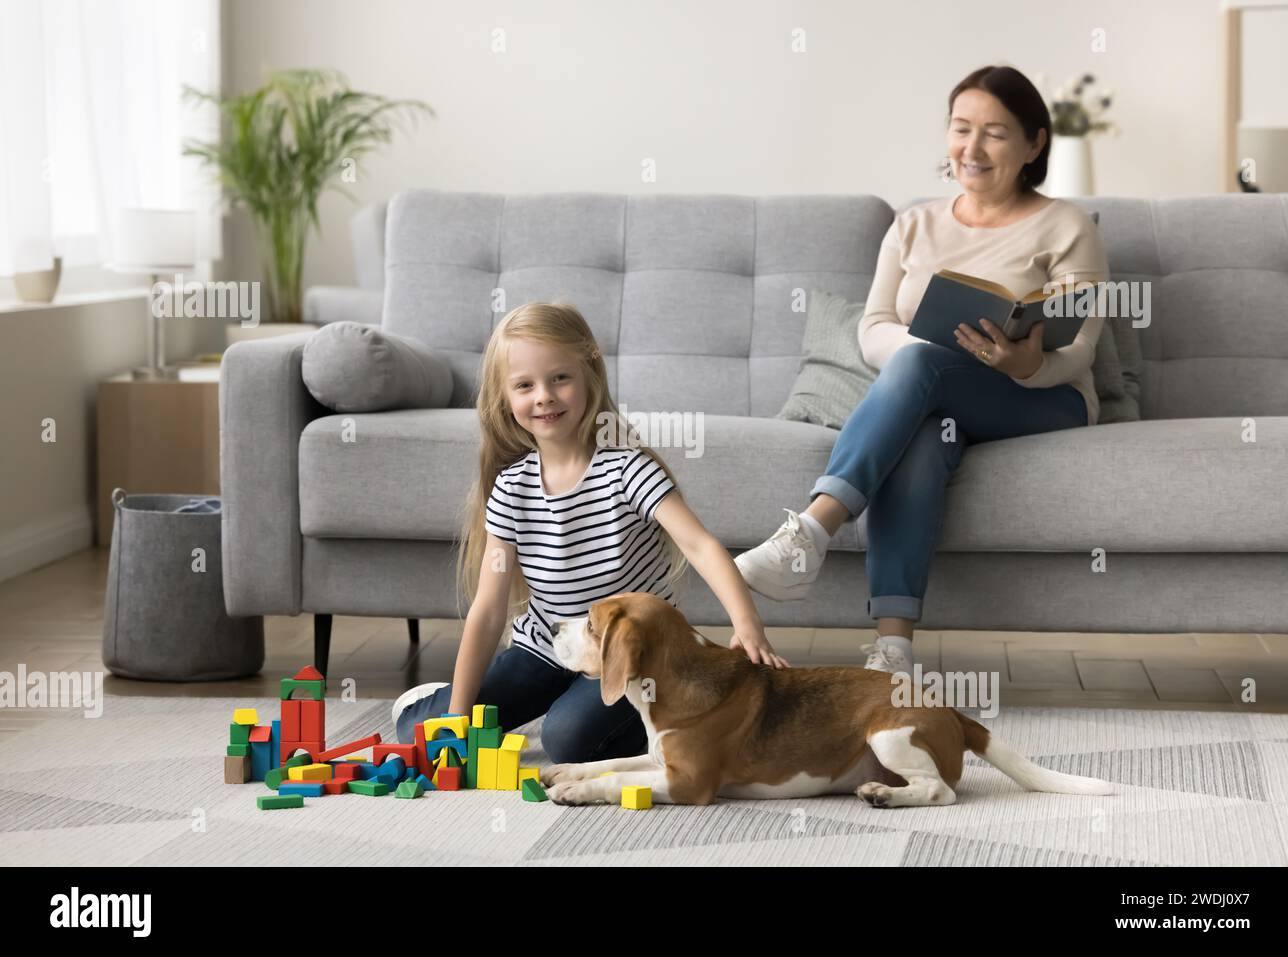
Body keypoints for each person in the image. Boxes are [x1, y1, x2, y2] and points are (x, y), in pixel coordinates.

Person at [735, 65, 1109, 676]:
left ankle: (811, 532)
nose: (973, 147)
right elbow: (874, 327)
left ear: (1034, 144)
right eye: (961, 129)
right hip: (937, 389)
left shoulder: (1067, 227)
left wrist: (1025, 361)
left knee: (922, 369)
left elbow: (1080, 350)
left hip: (1041, 397)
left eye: (995, 132)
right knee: (920, 435)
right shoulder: (912, 225)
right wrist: (927, 352)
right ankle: (893, 652)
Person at [391, 301, 789, 762]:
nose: (544, 396)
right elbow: (488, 608)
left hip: (626, 655)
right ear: (505, 397)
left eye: (560, 378)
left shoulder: (626, 470)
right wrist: (459, 716)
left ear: (589, 374)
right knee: (420, 728)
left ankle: (660, 718)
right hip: (547, 647)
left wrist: (748, 624)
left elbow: (699, 546)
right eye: (525, 385)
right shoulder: (510, 488)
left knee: (566, 740)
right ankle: (443, 697)